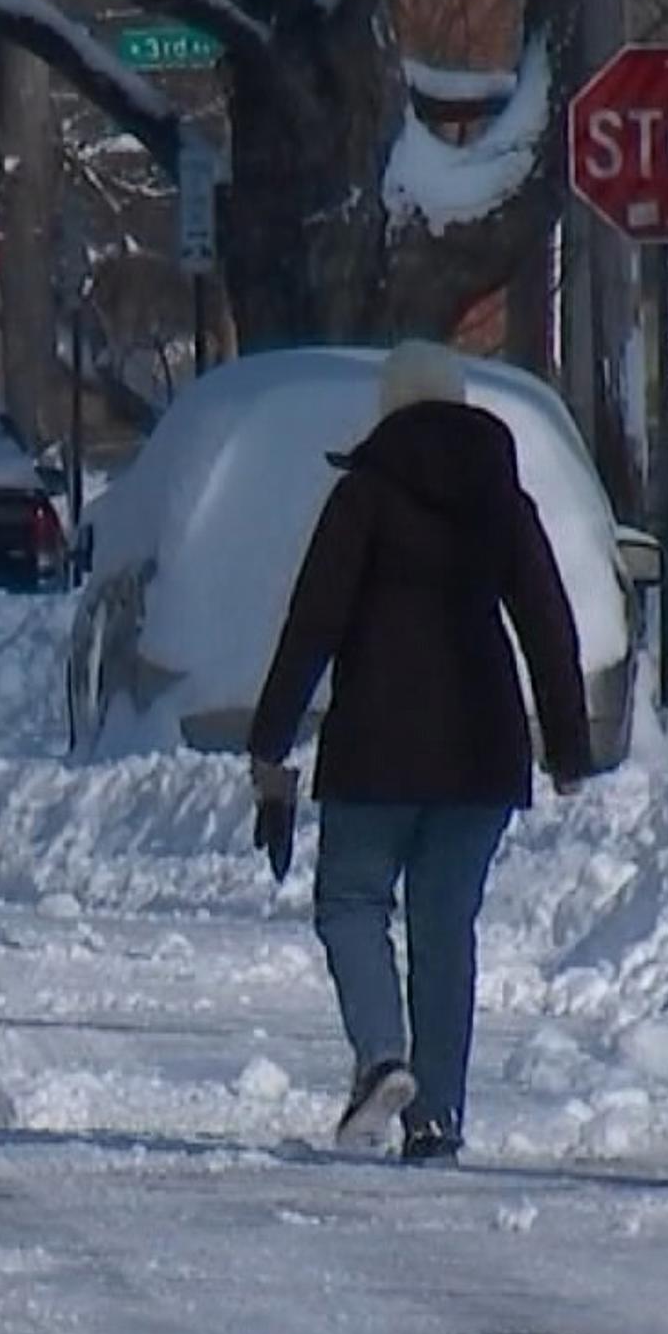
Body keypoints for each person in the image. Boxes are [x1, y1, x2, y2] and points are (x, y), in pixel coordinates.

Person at [248, 340, 590, 1164]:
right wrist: (568, 746)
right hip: (482, 750)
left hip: (377, 744)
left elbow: (314, 622)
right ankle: (435, 1118)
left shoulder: (366, 494)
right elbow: (547, 622)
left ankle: (381, 1058)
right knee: (445, 928)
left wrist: (271, 742)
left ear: (390, 408)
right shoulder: (503, 499)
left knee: (352, 902)